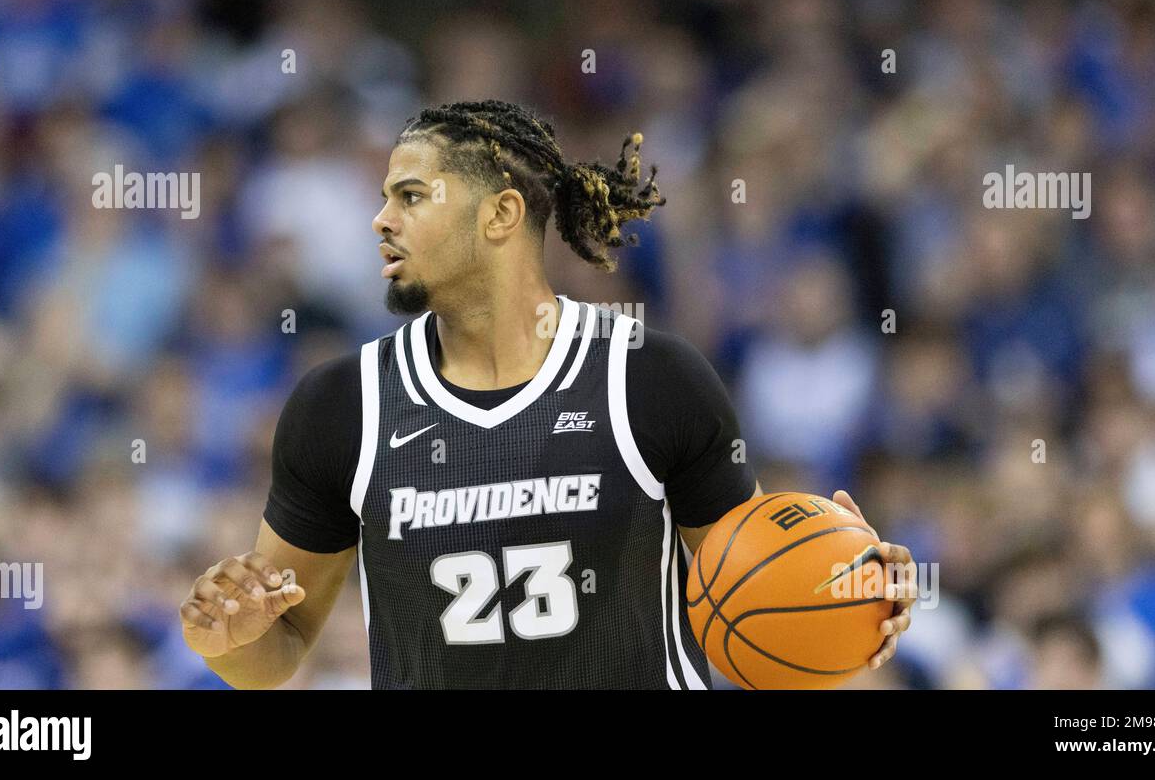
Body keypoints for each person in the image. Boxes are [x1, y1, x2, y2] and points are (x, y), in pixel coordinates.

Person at [179, 99, 915, 688]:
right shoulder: (341, 404)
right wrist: (233, 643)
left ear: (500, 215)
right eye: (384, 198)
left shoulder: (652, 379)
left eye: (410, 196)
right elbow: (281, 648)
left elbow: (750, 605)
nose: (381, 220)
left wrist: (846, 594)